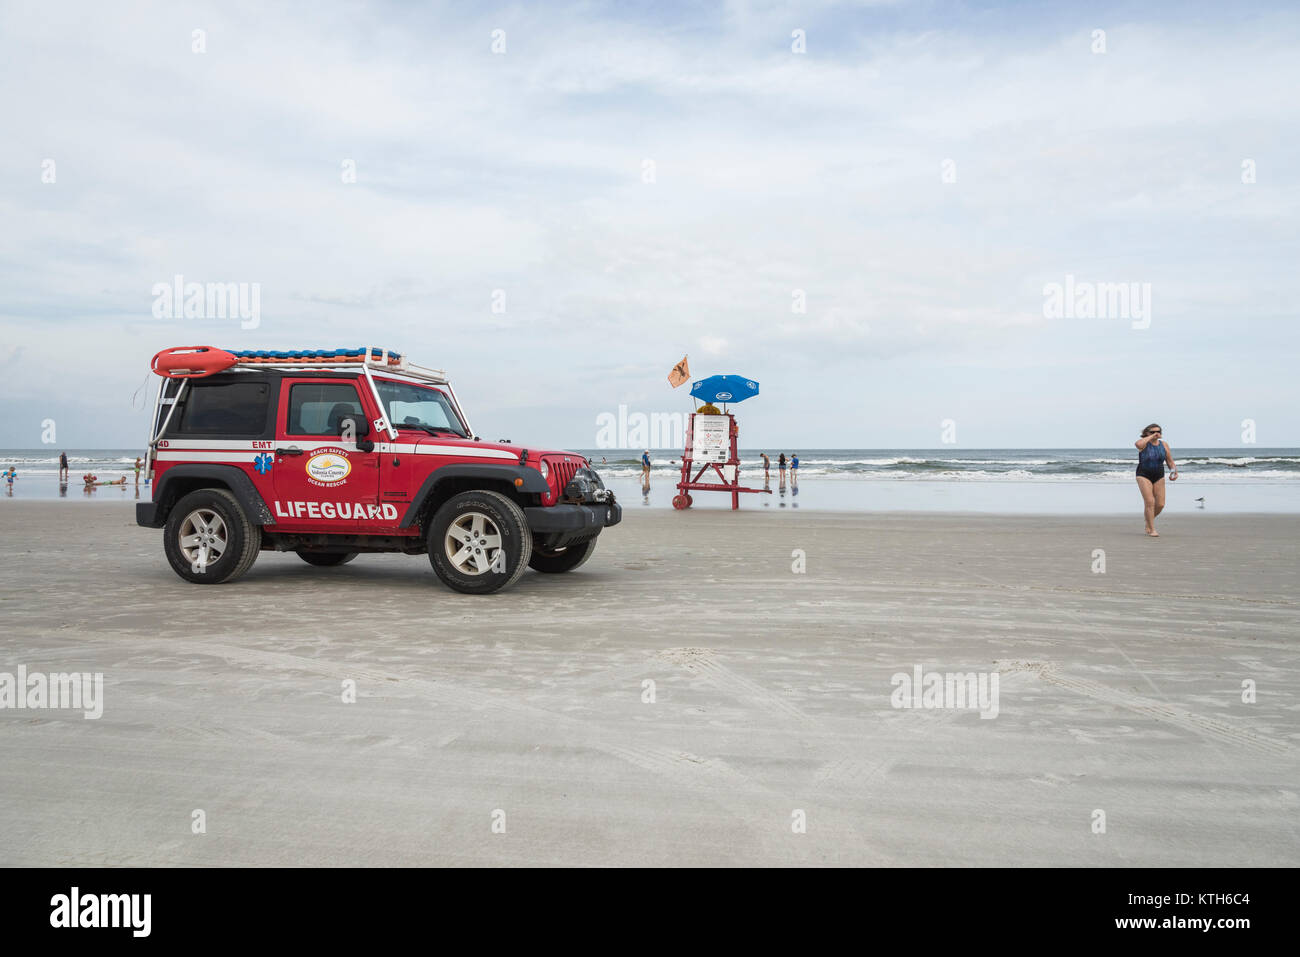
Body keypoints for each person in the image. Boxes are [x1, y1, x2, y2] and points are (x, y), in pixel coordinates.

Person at [1135, 423, 1178, 537]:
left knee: (1160, 504)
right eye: (1153, 432)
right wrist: (1150, 437)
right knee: (1150, 502)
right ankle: (1152, 529)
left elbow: (1169, 460)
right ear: (1147, 433)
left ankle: (1148, 521)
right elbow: (1138, 444)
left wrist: (1174, 471)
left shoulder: (1164, 445)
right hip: (1143, 474)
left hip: (1159, 475)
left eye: (1158, 431)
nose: (1156, 433)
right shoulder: (1144, 443)